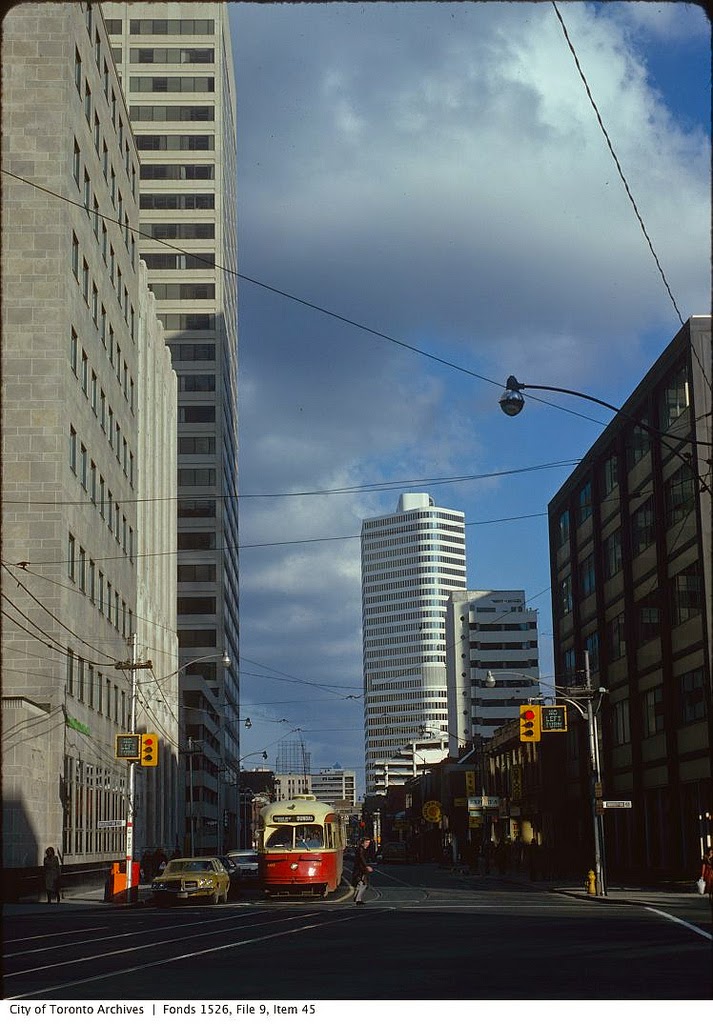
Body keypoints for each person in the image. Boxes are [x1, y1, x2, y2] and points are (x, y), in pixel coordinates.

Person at [351, 836, 374, 905]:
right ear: (362, 843)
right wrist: (366, 866)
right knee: (363, 884)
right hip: (360, 870)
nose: (368, 844)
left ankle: (358, 898)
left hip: (362, 869)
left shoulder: (364, 849)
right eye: (366, 842)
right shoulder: (360, 849)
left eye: (369, 842)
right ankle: (358, 899)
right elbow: (361, 858)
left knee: (361, 884)